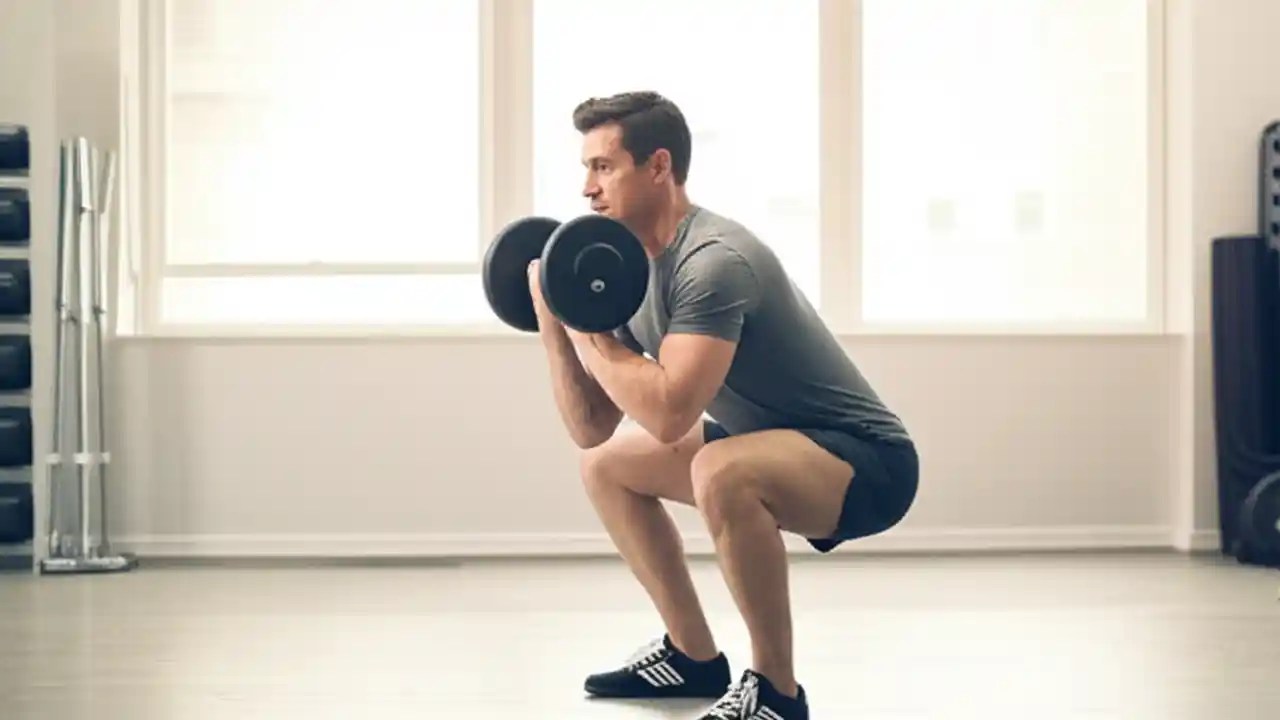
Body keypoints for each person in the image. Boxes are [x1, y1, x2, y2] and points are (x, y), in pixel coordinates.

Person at [527, 91, 919, 720]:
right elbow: (591, 427)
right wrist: (556, 319)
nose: (587, 188)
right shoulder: (630, 271)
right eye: (586, 168)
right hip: (769, 443)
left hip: (869, 464)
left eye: (603, 167)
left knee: (720, 468)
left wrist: (584, 332)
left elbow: (669, 415)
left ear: (658, 166)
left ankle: (775, 692)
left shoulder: (713, 263)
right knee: (607, 465)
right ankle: (692, 656)